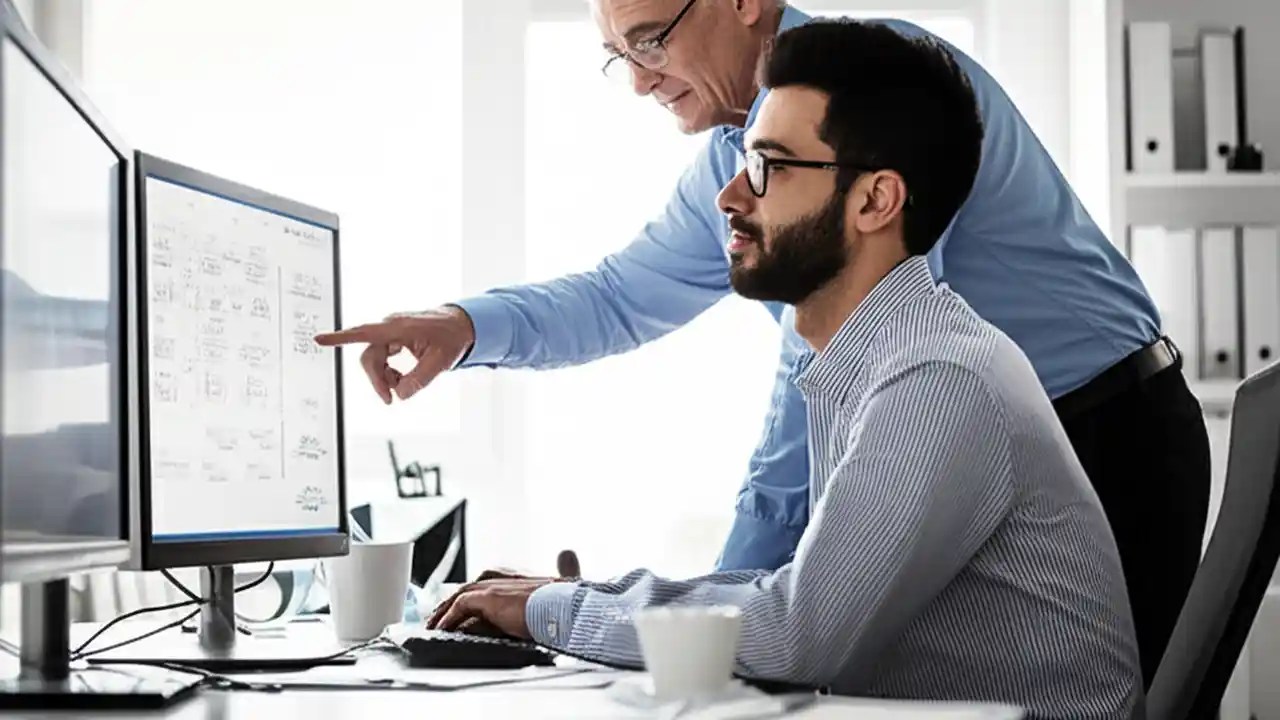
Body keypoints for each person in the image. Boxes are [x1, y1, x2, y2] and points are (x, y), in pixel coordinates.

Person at [315, 0, 1209, 684]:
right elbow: (626, 293)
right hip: (987, 440)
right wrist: (464, 327)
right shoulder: (749, 160)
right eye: (616, 55)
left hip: (1110, 425)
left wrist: (691, 630)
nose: (638, 79)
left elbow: (816, 373)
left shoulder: (884, 105)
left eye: (651, 41)